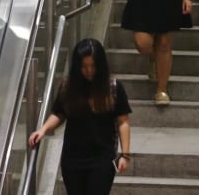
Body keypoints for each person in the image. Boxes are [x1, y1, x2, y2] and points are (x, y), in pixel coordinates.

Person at [27, 39, 132, 195]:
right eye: (84, 67)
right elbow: (59, 113)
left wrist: (125, 155)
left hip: (102, 157)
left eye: (93, 66)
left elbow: (123, 121)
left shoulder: (113, 88)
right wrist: (42, 130)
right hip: (73, 158)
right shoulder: (68, 87)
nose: (89, 71)